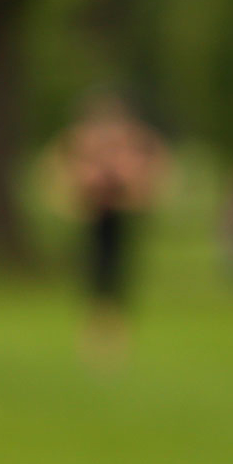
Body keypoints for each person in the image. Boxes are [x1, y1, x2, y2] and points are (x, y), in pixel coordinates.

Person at [57, 92, 168, 366]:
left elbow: (146, 176)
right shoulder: (87, 145)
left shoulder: (129, 146)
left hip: (118, 218)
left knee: (118, 281)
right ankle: (95, 341)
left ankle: (114, 342)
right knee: (95, 281)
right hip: (95, 218)